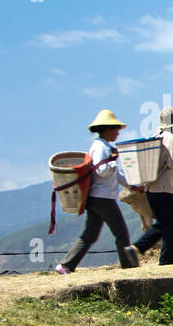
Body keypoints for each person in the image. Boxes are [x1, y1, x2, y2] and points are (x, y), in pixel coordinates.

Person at [55, 110, 141, 273]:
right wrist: (114, 160)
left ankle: (66, 265)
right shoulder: (101, 147)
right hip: (103, 198)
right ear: (107, 129)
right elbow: (102, 170)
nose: (117, 133)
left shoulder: (103, 147)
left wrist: (131, 185)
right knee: (121, 233)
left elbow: (114, 173)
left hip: (96, 197)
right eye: (115, 129)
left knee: (90, 234)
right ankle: (129, 267)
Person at [133, 107, 173, 264]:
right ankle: (145, 250)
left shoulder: (154, 136)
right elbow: (172, 162)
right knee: (169, 226)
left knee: (165, 224)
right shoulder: (170, 138)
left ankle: (151, 253)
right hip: (164, 187)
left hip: (151, 187)